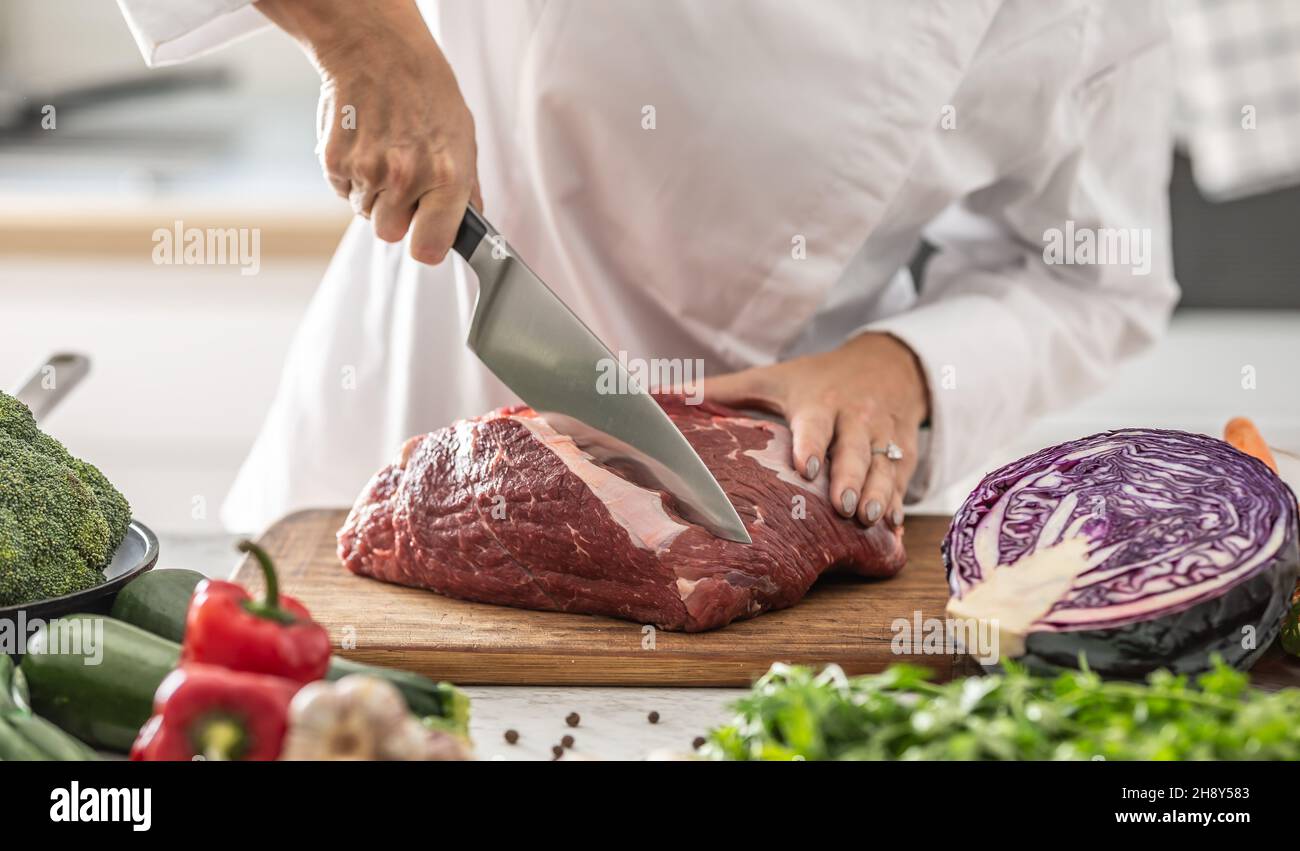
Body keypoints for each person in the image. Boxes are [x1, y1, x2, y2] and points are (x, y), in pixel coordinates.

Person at [115, 0, 1179, 533]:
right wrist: (363, 35)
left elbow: (1095, 274)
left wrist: (902, 364)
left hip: (767, 492)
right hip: (405, 408)